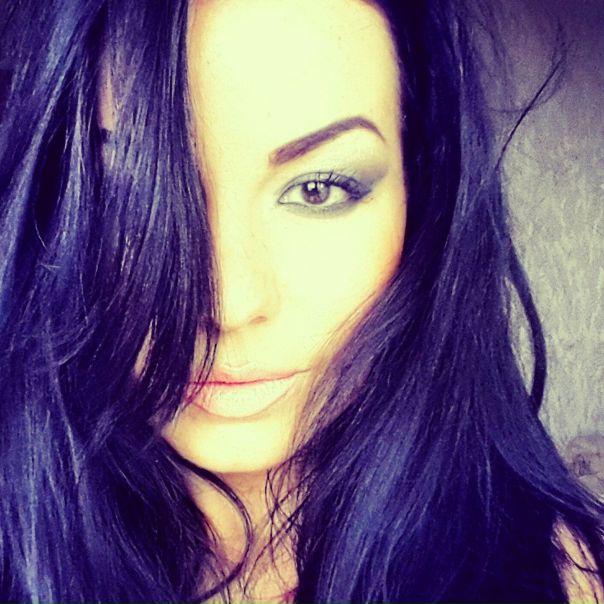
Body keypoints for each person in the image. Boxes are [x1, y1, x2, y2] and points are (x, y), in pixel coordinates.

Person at [0, 0, 602, 603]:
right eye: (136, 194)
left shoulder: (554, 579)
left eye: (318, 189)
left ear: (424, 202)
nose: (228, 305)